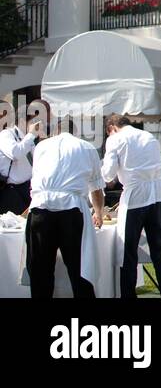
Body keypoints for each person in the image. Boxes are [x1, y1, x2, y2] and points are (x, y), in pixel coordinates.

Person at [26, 119, 105, 298]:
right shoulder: (86, 147)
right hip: (71, 209)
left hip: (42, 208)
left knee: (40, 269)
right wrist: (99, 213)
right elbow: (96, 188)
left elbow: (38, 182)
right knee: (79, 267)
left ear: (55, 131)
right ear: (75, 132)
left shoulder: (41, 147)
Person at [101, 114, 161, 299]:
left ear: (112, 128)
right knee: (160, 253)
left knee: (128, 252)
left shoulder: (115, 139)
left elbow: (108, 175)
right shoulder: (148, 136)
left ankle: (128, 296)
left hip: (136, 197)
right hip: (159, 194)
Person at [0, 100, 45, 215]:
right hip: (12, 191)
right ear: (22, 121)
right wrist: (31, 134)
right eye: (34, 121)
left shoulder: (28, 139)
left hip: (28, 189)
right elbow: (15, 153)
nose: (37, 125)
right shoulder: (7, 134)